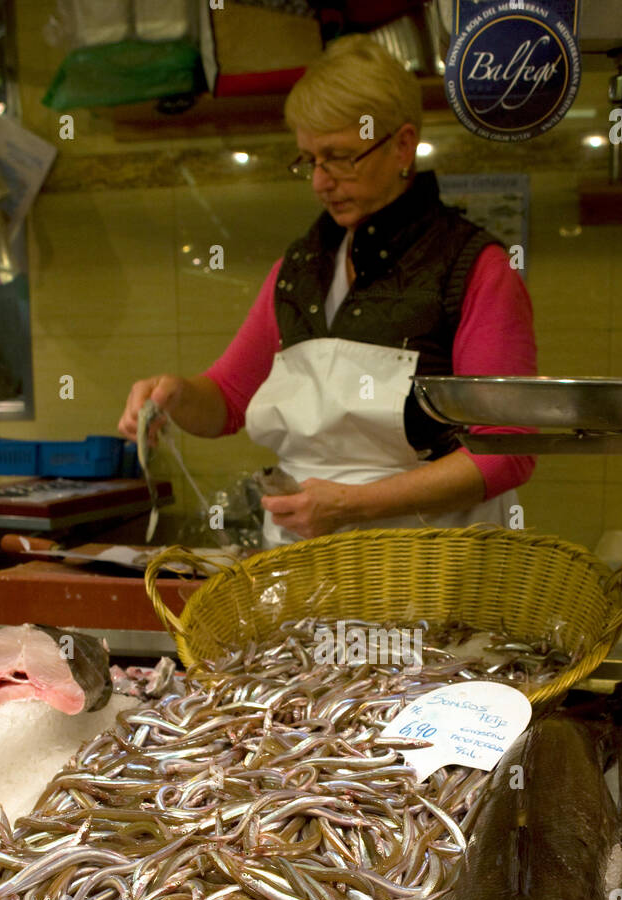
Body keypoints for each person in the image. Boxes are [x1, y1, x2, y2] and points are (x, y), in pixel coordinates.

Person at [119, 35, 536, 547]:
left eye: (339, 157)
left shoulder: (475, 269)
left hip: (433, 569)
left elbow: (508, 449)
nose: (320, 182)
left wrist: (350, 506)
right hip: (307, 566)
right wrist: (176, 395)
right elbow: (228, 399)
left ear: (402, 145)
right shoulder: (298, 269)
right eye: (309, 160)